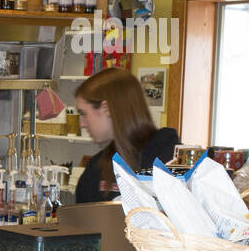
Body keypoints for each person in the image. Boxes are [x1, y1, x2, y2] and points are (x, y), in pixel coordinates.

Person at [74, 67, 180, 204]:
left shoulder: (170, 161)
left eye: (84, 113)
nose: (82, 123)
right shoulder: (95, 169)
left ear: (106, 109)